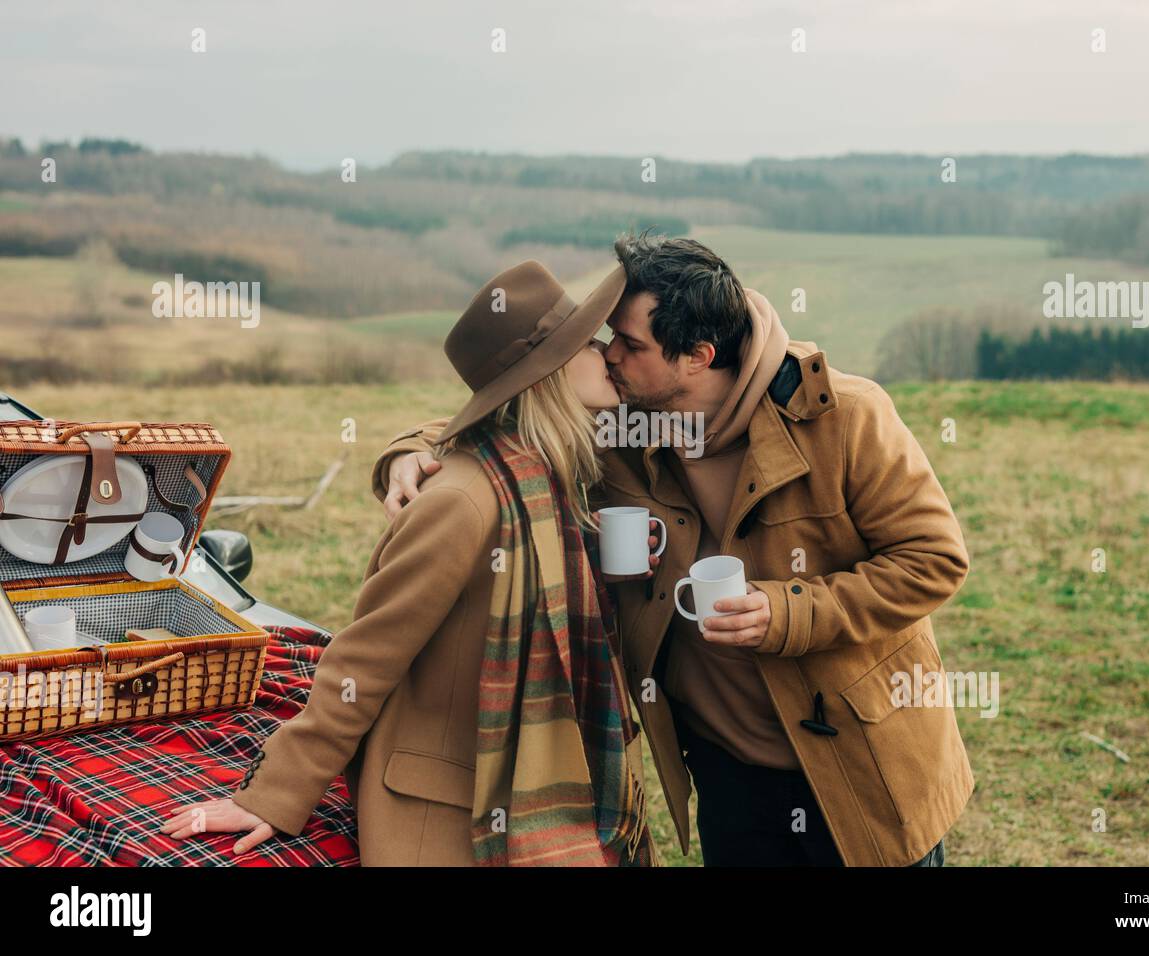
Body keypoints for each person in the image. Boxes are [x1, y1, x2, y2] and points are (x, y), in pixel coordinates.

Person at [375, 233, 974, 867]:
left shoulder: (848, 417)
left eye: (630, 346)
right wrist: (411, 451)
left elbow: (933, 559)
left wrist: (788, 611)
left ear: (697, 356)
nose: (608, 359)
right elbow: (514, 410)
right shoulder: (629, 419)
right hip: (723, 771)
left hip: (859, 766)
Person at [161, 260, 656, 866]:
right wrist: (275, 795)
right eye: (586, 341)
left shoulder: (549, 478)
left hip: (530, 782)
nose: (606, 351)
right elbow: (367, 656)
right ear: (546, 376)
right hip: (449, 809)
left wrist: (592, 550)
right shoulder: (461, 503)